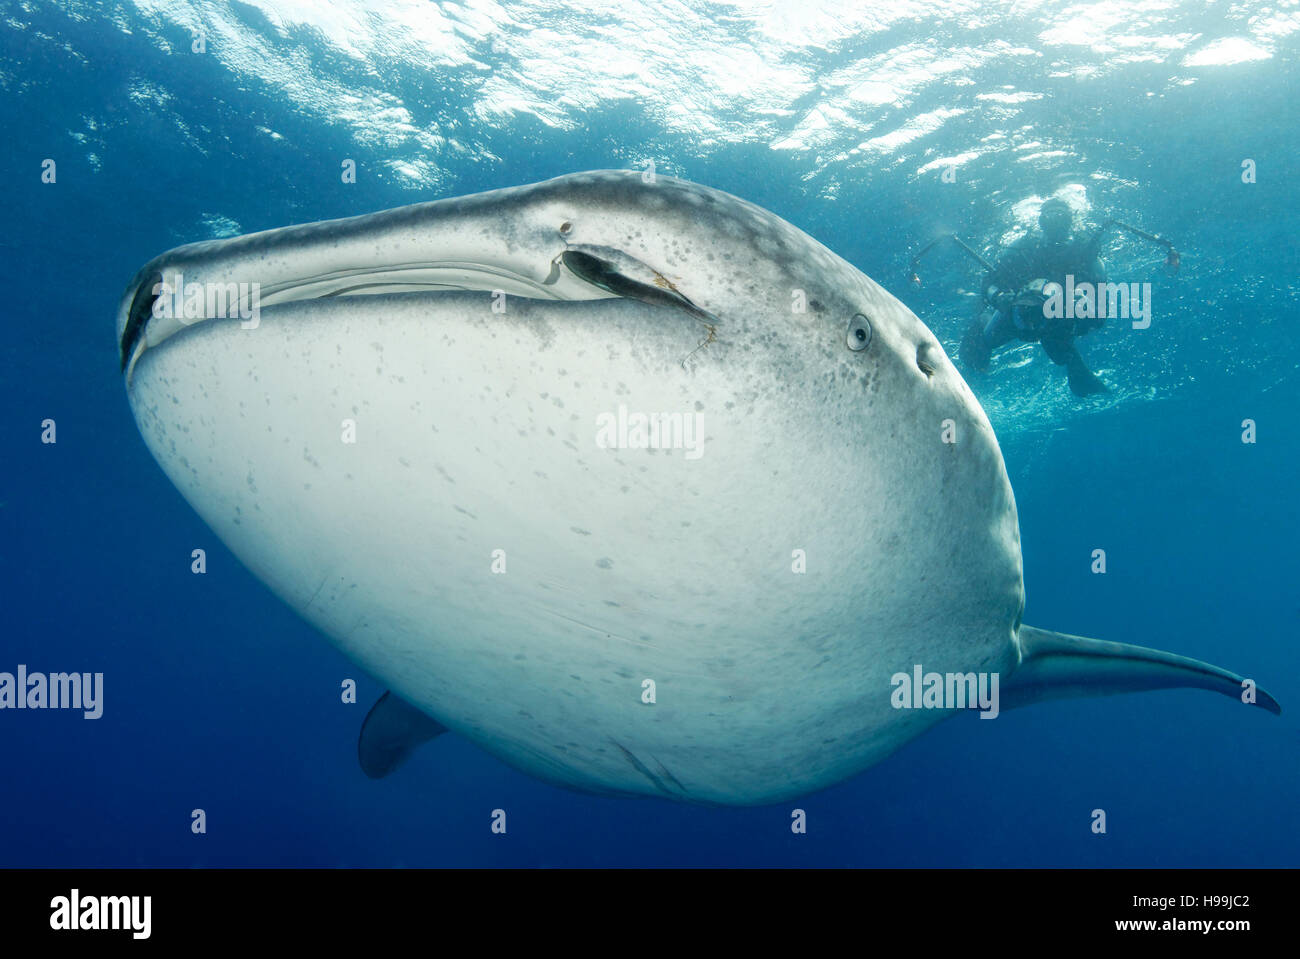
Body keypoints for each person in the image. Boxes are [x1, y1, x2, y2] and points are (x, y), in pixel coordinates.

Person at [959, 198, 1109, 396]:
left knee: (1064, 355)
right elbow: (988, 282)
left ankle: (1081, 376)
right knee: (973, 350)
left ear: (1071, 220)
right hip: (1015, 313)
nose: (1056, 222)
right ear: (1041, 222)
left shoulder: (1086, 254)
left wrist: (1075, 310)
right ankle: (970, 382)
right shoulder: (1024, 248)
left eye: (1061, 216)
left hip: (1056, 324)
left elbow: (1099, 313)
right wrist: (999, 298)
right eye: (1050, 216)